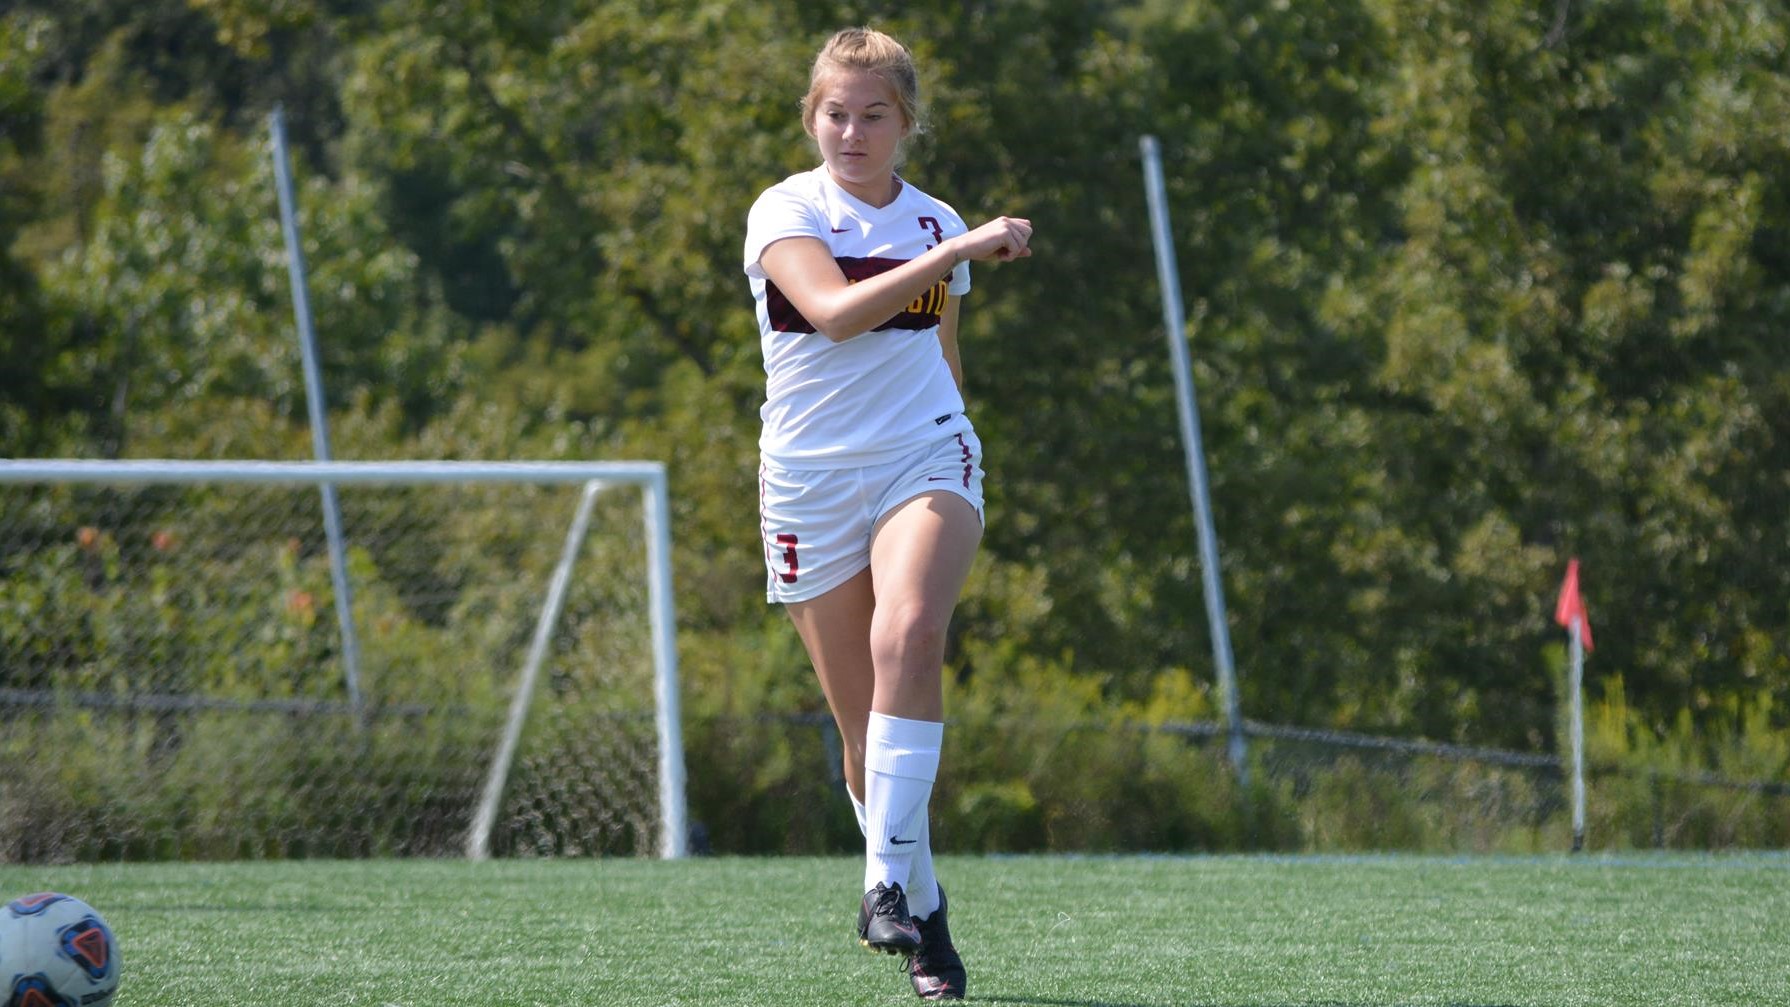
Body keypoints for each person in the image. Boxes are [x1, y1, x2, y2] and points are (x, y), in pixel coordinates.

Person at [742, 25, 1032, 1003]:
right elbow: (832, 313)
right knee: (862, 732)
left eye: (873, 115)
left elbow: (941, 355)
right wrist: (957, 249)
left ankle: (880, 887)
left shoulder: (932, 219)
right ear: (811, 118)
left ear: (906, 122)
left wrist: (948, 252)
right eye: (835, 113)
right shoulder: (786, 210)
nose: (852, 132)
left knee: (908, 634)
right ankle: (923, 907)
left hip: (924, 453)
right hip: (808, 481)